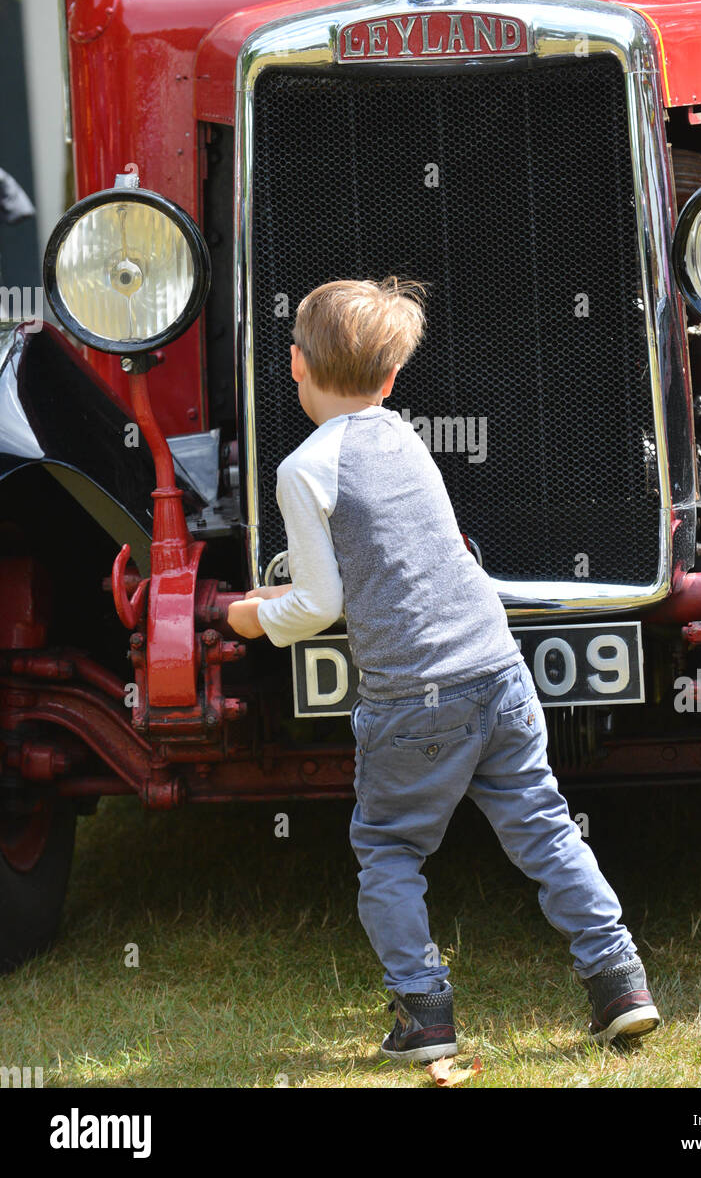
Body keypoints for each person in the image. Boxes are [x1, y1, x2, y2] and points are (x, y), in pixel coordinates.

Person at [227, 276, 660, 1062]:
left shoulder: (303, 470)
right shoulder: (406, 437)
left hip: (411, 698)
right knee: (545, 828)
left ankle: (425, 1016)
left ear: (293, 364)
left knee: (390, 850)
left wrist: (254, 615)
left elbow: (321, 606)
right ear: (391, 380)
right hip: (497, 670)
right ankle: (619, 982)